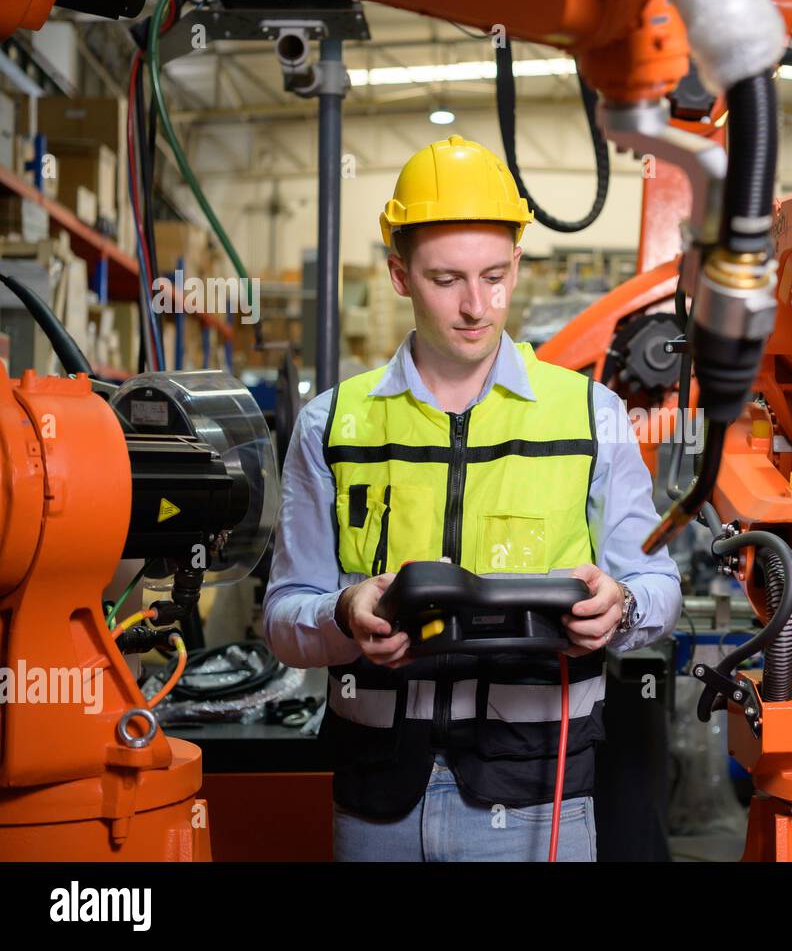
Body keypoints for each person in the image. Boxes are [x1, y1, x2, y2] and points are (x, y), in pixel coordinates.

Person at [264, 135, 682, 861]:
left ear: (518, 265)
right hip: (377, 800)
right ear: (399, 275)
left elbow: (658, 585)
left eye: (495, 276)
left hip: (536, 796)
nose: (475, 306)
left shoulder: (593, 415)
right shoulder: (332, 424)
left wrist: (623, 607)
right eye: (445, 278)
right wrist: (343, 612)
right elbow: (281, 617)